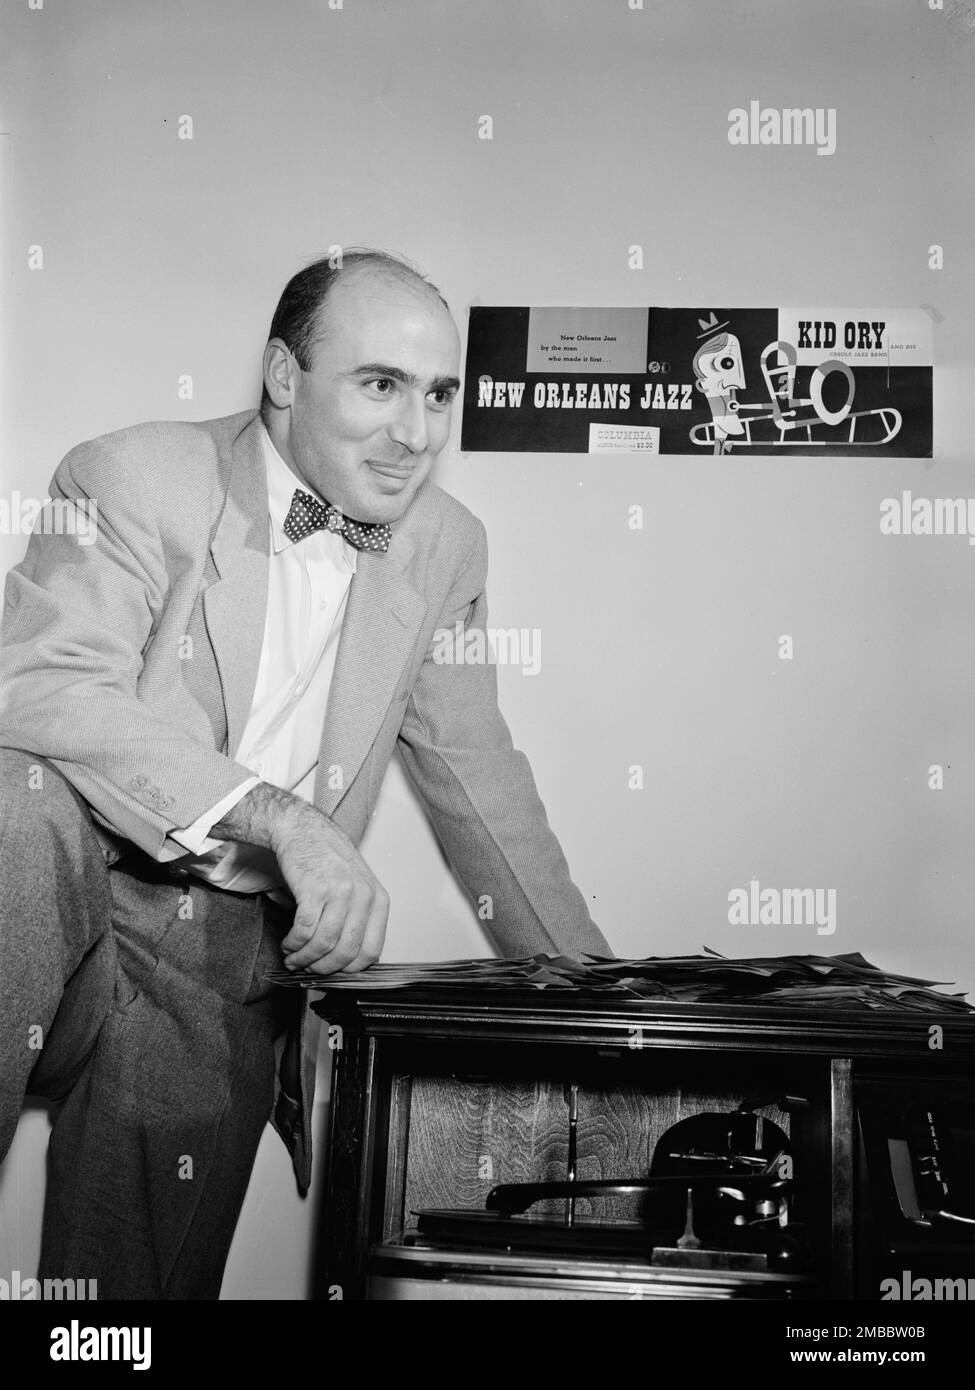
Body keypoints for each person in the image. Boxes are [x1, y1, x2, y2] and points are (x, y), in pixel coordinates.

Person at [0, 249, 612, 1299]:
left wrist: (608, 1013)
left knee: (127, 1303)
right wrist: (279, 816)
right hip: (65, 891)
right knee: (18, 800)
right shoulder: (137, 474)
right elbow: (40, 687)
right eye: (379, 384)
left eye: (437, 395)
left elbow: (482, 783)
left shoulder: (445, 546)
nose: (415, 433)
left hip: (224, 951)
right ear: (285, 377)